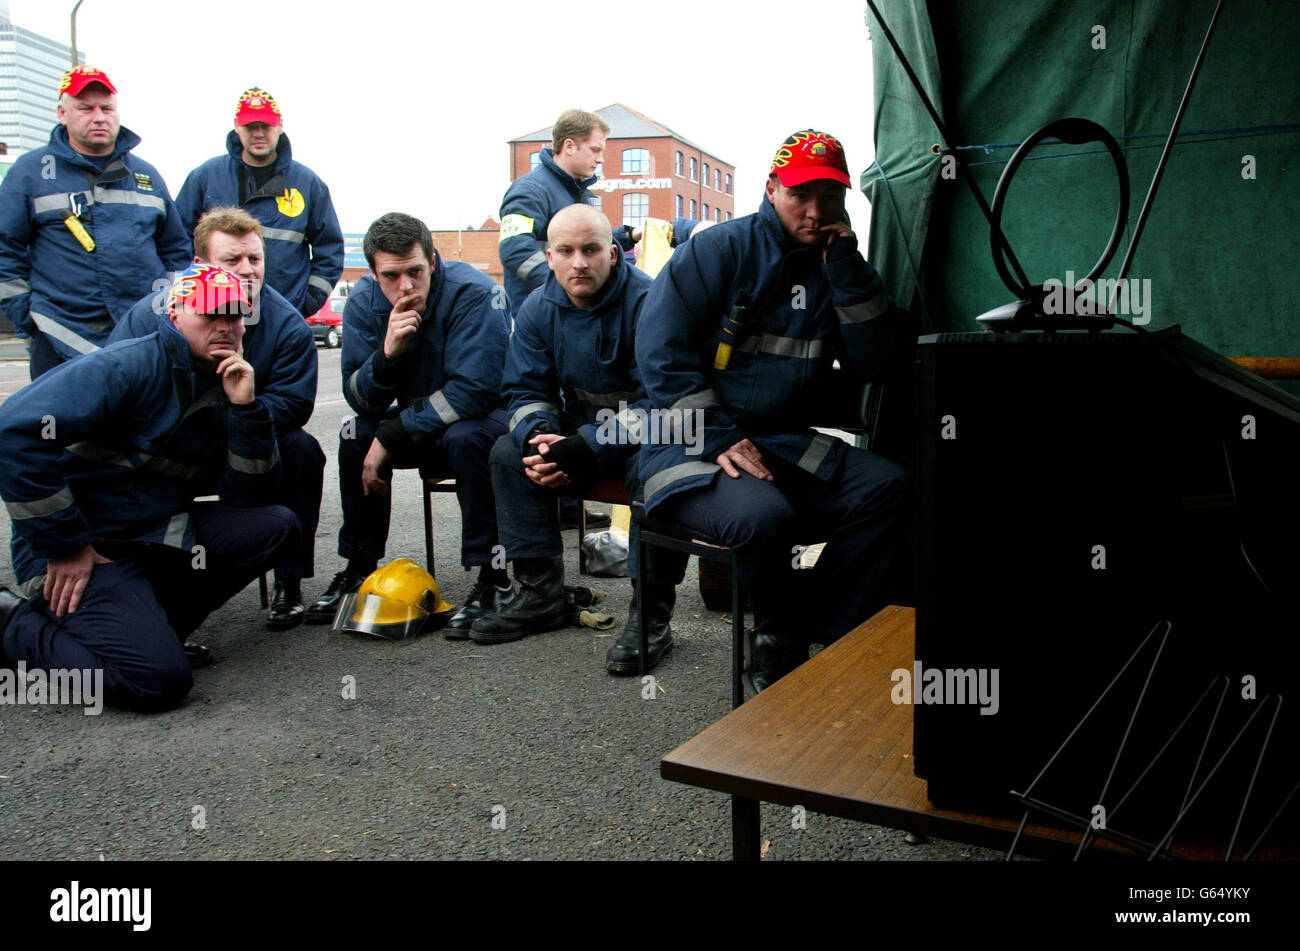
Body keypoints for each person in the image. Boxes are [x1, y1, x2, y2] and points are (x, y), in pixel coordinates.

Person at [635, 130, 912, 694]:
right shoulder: (718, 251)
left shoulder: (839, 267)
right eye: (800, 195)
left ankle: (824, 629)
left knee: (889, 489)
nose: (815, 212)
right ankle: (774, 650)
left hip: (780, 443)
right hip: (686, 440)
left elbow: (882, 362)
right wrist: (716, 435)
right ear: (770, 188)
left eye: (830, 198)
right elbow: (660, 354)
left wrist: (849, 275)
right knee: (764, 519)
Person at [0, 263, 299, 712]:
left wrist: (247, 411)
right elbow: (14, 432)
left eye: (236, 315)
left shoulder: (228, 381)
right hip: (82, 546)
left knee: (277, 526)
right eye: (210, 314)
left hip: (147, 536)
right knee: (156, 682)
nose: (225, 326)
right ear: (176, 314)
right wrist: (64, 545)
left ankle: (151, 631)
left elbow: (250, 498)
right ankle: (14, 623)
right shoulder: (127, 365)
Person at [471, 205, 687, 673]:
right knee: (509, 454)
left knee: (656, 473)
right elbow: (526, 391)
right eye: (566, 251)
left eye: (591, 250)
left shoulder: (651, 303)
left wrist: (590, 442)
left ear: (614, 253)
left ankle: (650, 617)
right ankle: (540, 597)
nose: (579, 263)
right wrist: (540, 438)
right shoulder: (536, 309)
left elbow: (667, 403)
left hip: (647, 435)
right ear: (549, 257)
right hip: (577, 435)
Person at [110, 207, 324, 629]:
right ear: (200, 265)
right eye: (232, 261)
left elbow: (294, 404)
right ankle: (152, 589)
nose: (247, 270)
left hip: (244, 444)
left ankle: (290, 581)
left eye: (255, 259)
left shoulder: (288, 326)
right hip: (170, 446)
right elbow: (119, 387)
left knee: (302, 449)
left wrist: (240, 412)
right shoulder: (150, 313)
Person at [306, 213, 510, 633]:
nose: (406, 287)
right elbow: (360, 399)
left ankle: (493, 575)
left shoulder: (475, 292)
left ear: (433, 261)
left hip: (481, 417)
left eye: (415, 271)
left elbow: (475, 391)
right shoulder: (364, 301)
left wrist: (392, 433)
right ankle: (359, 566)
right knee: (354, 436)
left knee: (468, 438)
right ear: (374, 273)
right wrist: (387, 355)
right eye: (392, 276)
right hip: (419, 420)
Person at [0, 66, 191, 378]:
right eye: (85, 108)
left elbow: (176, 252)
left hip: (142, 337)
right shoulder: (30, 173)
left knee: (144, 425)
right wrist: (28, 319)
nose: (99, 117)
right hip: (59, 338)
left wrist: (170, 311)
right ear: (62, 113)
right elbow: (4, 252)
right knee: (64, 426)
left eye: (107, 108)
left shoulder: (147, 176)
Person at [176, 88, 344, 318]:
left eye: (265, 126)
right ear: (237, 126)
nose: (258, 134)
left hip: (283, 317)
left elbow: (330, 251)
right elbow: (176, 240)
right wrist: (197, 295)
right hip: (215, 315)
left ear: (280, 126)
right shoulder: (205, 177)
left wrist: (306, 301)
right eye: (250, 126)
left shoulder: (309, 185)